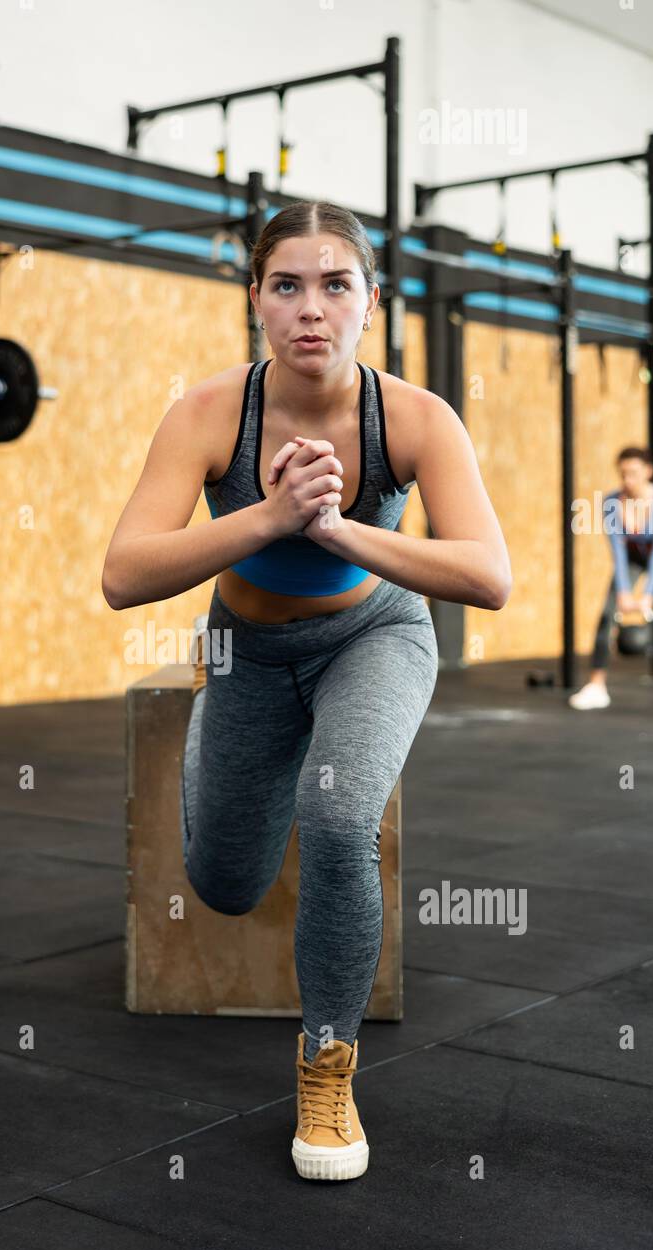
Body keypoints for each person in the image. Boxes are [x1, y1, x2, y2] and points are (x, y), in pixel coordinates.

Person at [101, 200, 511, 1181]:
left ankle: (326, 1064)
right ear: (254, 299)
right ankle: (214, 751)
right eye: (285, 284)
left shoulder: (413, 418)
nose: (310, 308)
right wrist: (272, 513)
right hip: (245, 649)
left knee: (335, 823)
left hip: (373, 636)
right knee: (225, 888)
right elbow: (123, 573)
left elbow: (486, 575)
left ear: (370, 302)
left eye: (335, 285)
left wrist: (336, 531)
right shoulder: (207, 414)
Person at [569, 446, 653, 714]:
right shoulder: (612, 503)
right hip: (633, 558)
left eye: (633, 473)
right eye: (623, 473)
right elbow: (618, 551)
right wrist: (623, 591)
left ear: (648, 472)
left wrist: (647, 595)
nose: (627, 479)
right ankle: (596, 687)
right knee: (608, 612)